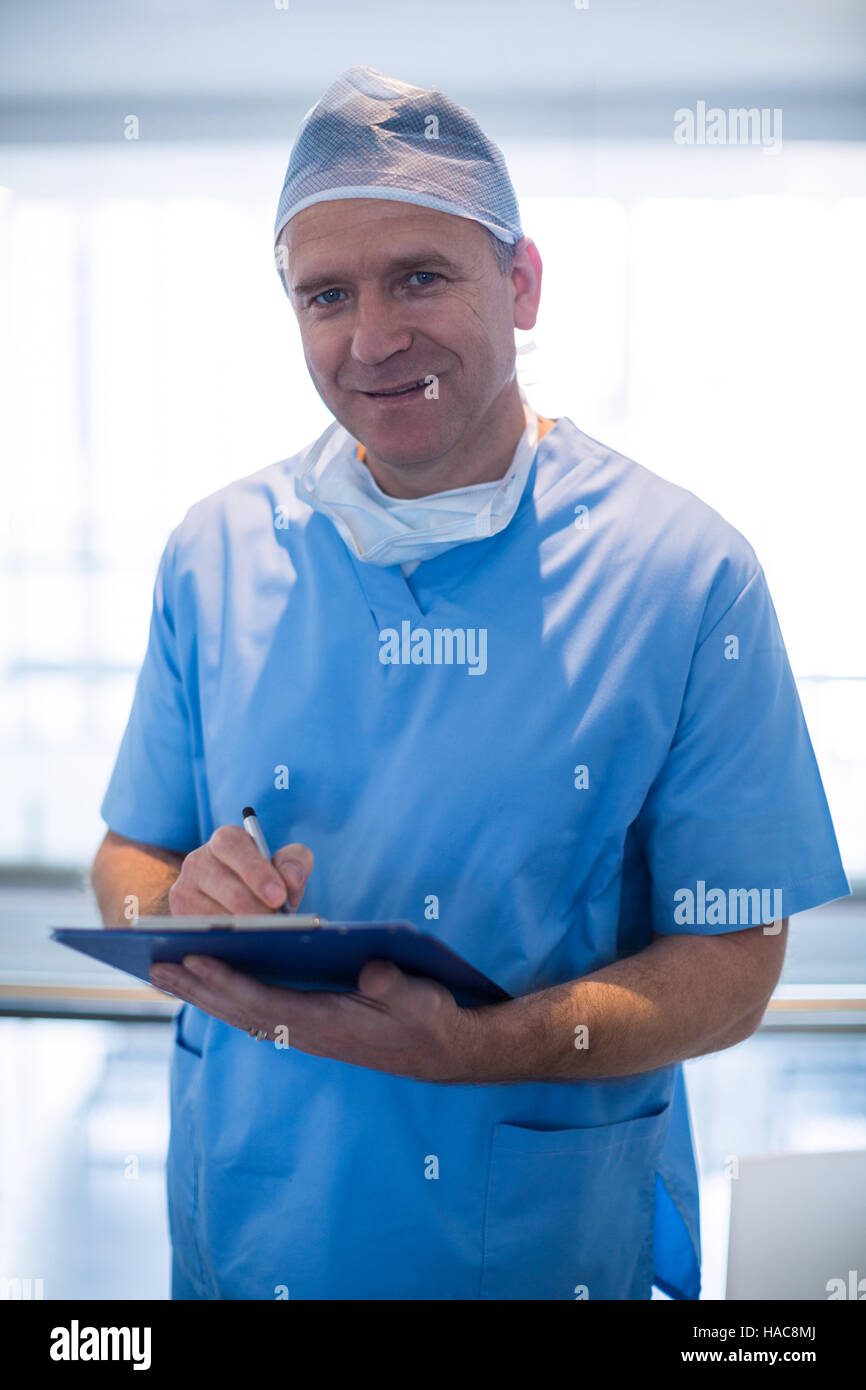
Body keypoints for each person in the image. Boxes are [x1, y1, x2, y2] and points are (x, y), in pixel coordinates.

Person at [90, 66, 850, 1301]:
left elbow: (733, 963)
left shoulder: (681, 572)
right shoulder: (214, 550)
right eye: (325, 294)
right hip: (248, 1228)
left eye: (419, 277)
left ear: (522, 282)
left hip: (526, 1245)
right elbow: (126, 860)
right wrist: (177, 895)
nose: (372, 339)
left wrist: (488, 1049)